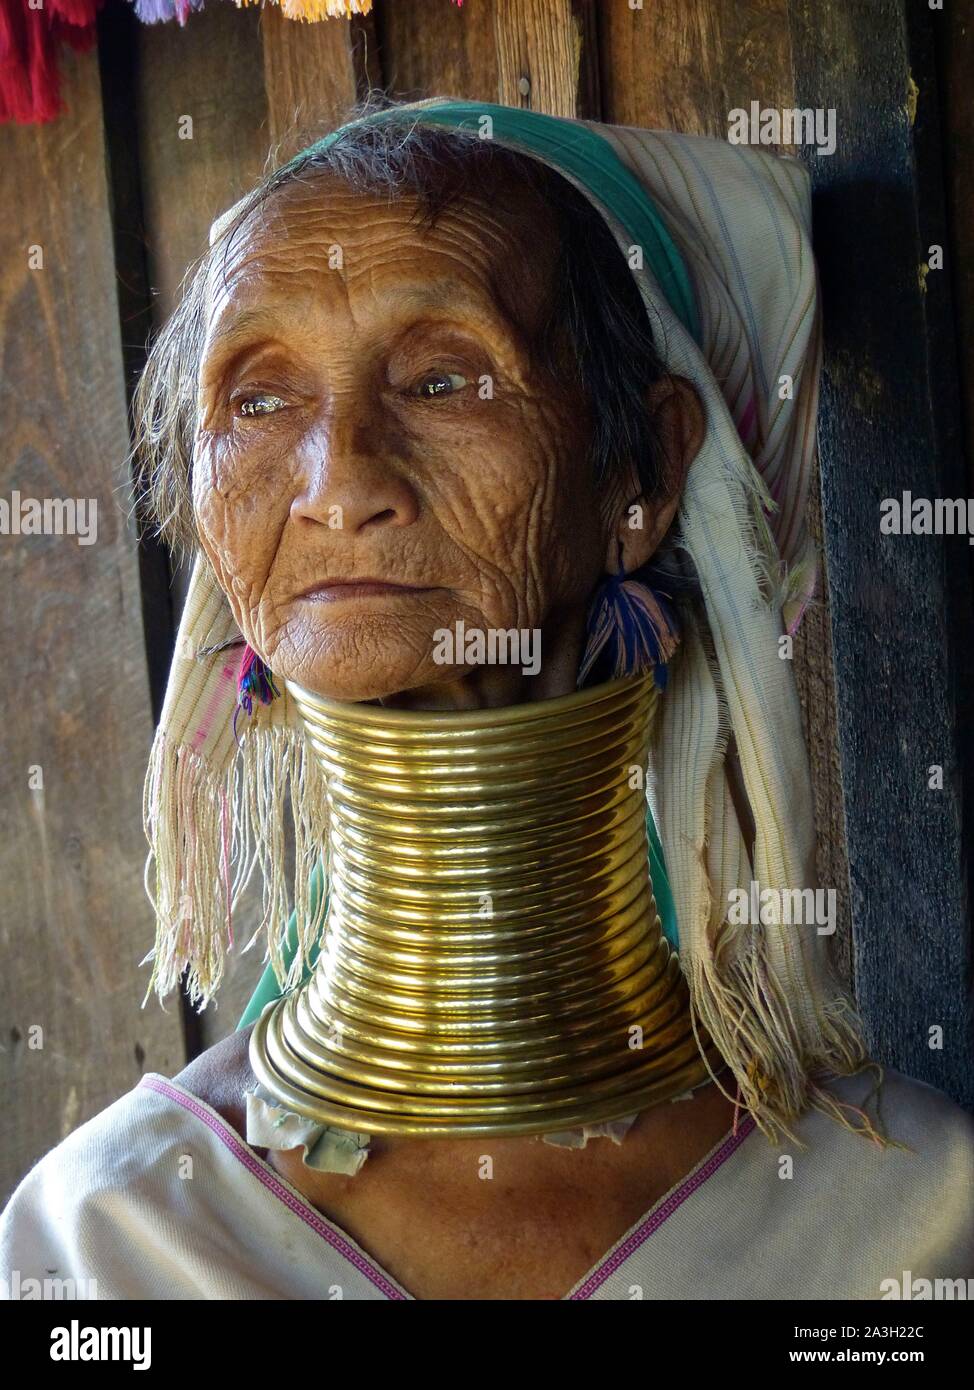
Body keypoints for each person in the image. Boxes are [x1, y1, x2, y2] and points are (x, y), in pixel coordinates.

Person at [2, 97, 972, 1301]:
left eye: (442, 379)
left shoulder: (907, 1222)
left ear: (642, 474)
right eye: (257, 400)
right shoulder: (104, 1244)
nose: (337, 479)